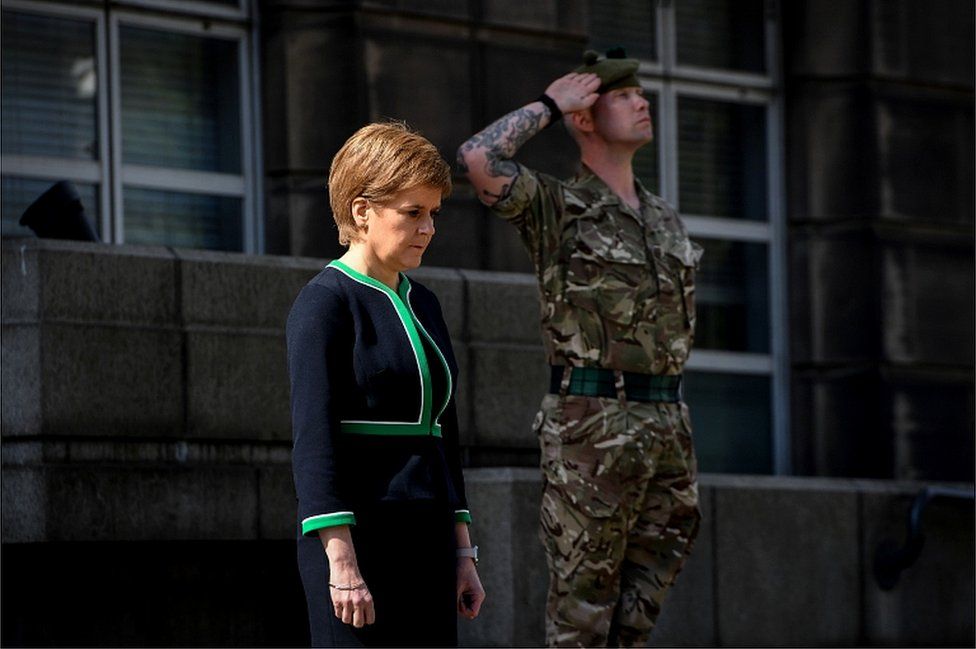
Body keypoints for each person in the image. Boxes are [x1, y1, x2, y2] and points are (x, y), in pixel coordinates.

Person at [457, 48, 702, 647]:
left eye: (639, 93)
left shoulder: (665, 217)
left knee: (639, 611)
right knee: (582, 611)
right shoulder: (561, 207)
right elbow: (477, 159)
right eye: (623, 95)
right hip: (591, 429)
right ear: (587, 118)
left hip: (666, 424)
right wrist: (550, 105)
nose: (642, 102)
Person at [288, 121, 485, 648]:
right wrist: (342, 560)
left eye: (433, 213)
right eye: (412, 212)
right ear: (361, 211)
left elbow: (446, 435)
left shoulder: (425, 303)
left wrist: (463, 554)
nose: (429, 228)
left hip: (427, 539)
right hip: (356, 539)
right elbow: (314, 440)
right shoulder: (324, 302)